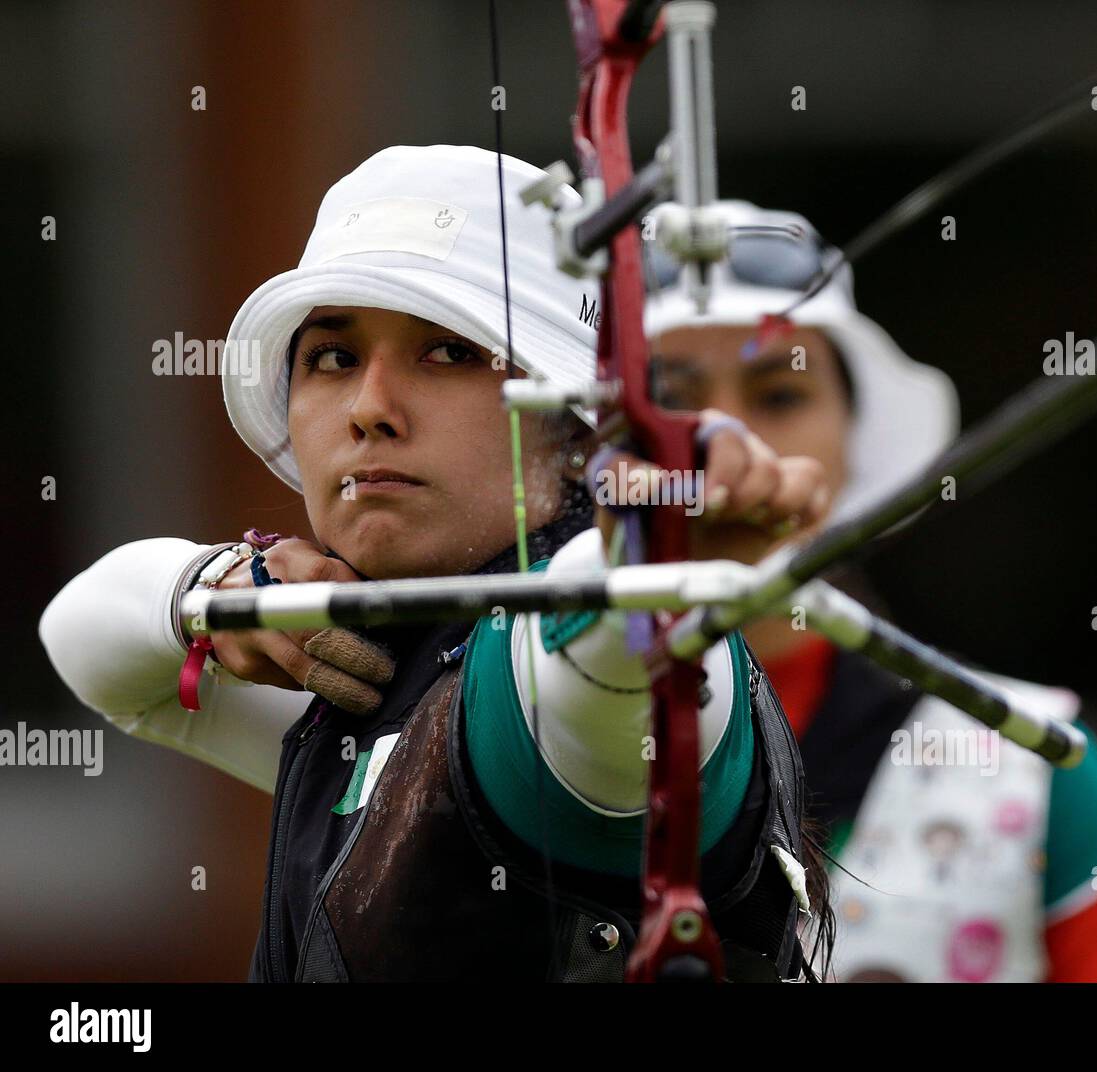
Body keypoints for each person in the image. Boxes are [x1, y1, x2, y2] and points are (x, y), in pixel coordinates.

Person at [39, 146, 835, 982]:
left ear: (577, 428)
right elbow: (86, 643)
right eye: (334, 359)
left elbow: (587, 673)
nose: (370, 409)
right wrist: (212, 592)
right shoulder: (363, 673)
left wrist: (651, 564)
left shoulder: (544, 689)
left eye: (450, 353)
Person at [642, 199, 1097, 982]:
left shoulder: (1032, 763)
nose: (733, 447)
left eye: (780, 396)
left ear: (852, 440)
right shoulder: (488, 748)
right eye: (673, 402)